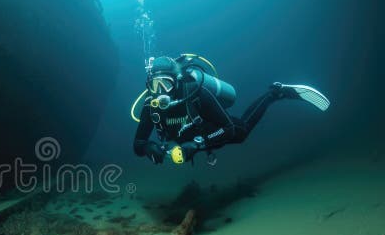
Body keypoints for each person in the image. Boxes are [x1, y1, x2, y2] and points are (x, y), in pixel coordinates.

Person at [132, 54, 330, 165]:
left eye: (165, 84)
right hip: (187, 142)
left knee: (241, 131)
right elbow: (138, 143)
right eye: (154, 85)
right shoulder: (152, 107)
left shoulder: (196, 93)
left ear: (177, 82)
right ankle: (275, 93)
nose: (159, 93)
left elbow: (227, 129)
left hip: (209, 129)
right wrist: (150, 149)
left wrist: (198, 145)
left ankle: (275, 93)